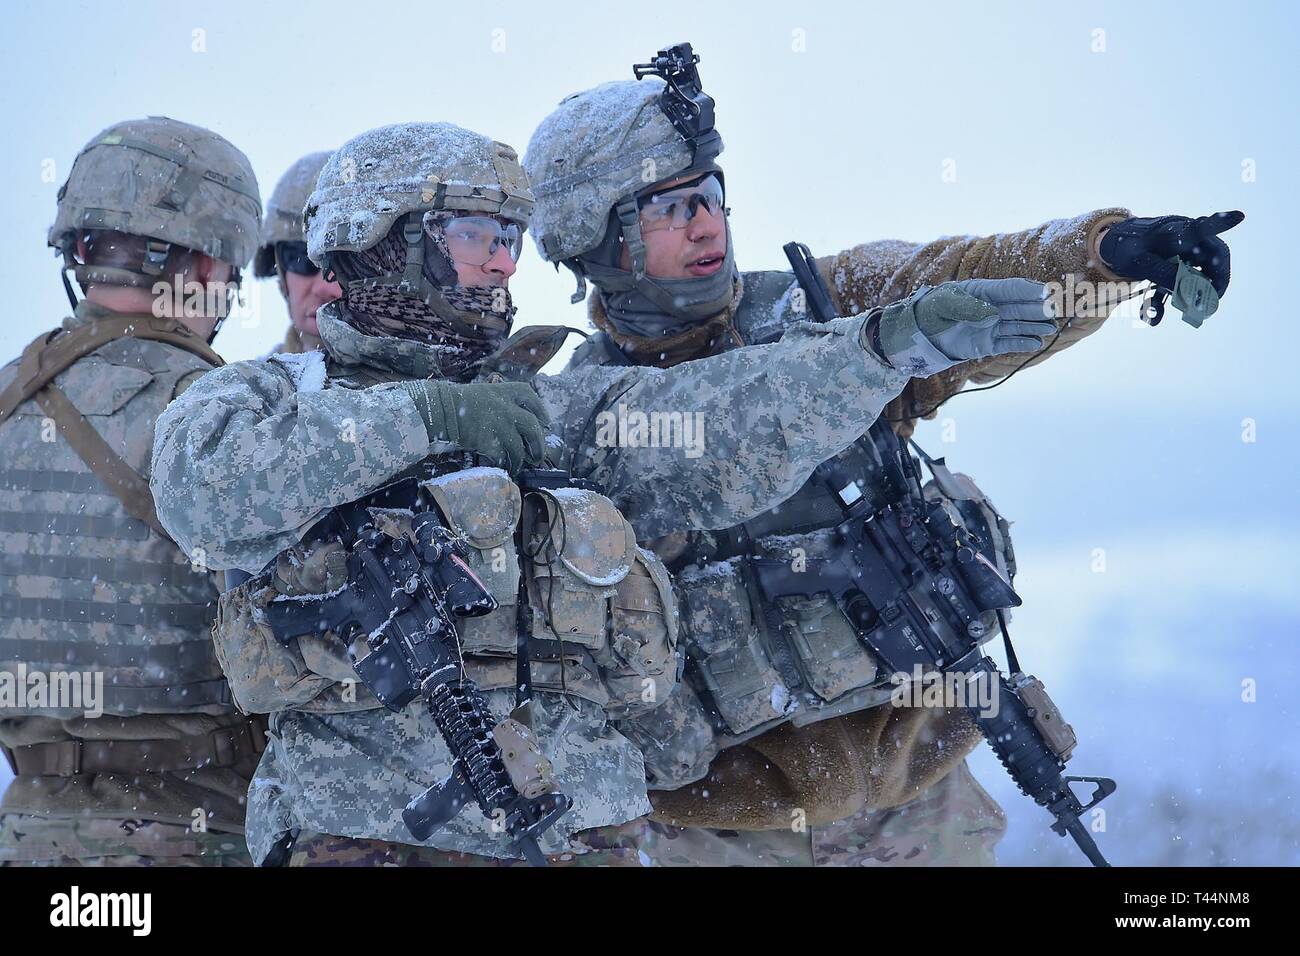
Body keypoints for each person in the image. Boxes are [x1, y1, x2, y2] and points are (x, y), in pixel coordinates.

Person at [150, 121, 1049, 865]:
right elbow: (207, 491)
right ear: (383, 242)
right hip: (367, 840)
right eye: (472, 237)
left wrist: (877, 352)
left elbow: (722, 421)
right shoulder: (262, 400)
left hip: (589, 837)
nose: (502, 266)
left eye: (507, 240)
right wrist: (426, 419)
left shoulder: (548, 409)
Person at [522, 45, 1242, 866]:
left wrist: (1109, 255)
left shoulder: (821, 307)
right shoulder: (582, 419)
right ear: (596, 242)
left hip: (922, 802)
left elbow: (961, 279)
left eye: (708, 194)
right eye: (664, 210)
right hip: (726, 833)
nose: (706, 222)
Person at [0, 116, 266, 866]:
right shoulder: (225, 414)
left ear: (80, 249)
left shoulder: (6, 402)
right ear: (209, 268)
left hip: (33, 836)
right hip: (205, 830)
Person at [252, 152, 340, 355]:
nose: (324, 287)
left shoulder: (421, 385)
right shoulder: (246, 384)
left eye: (345, 265)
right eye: (301, 260)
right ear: (281, 272)